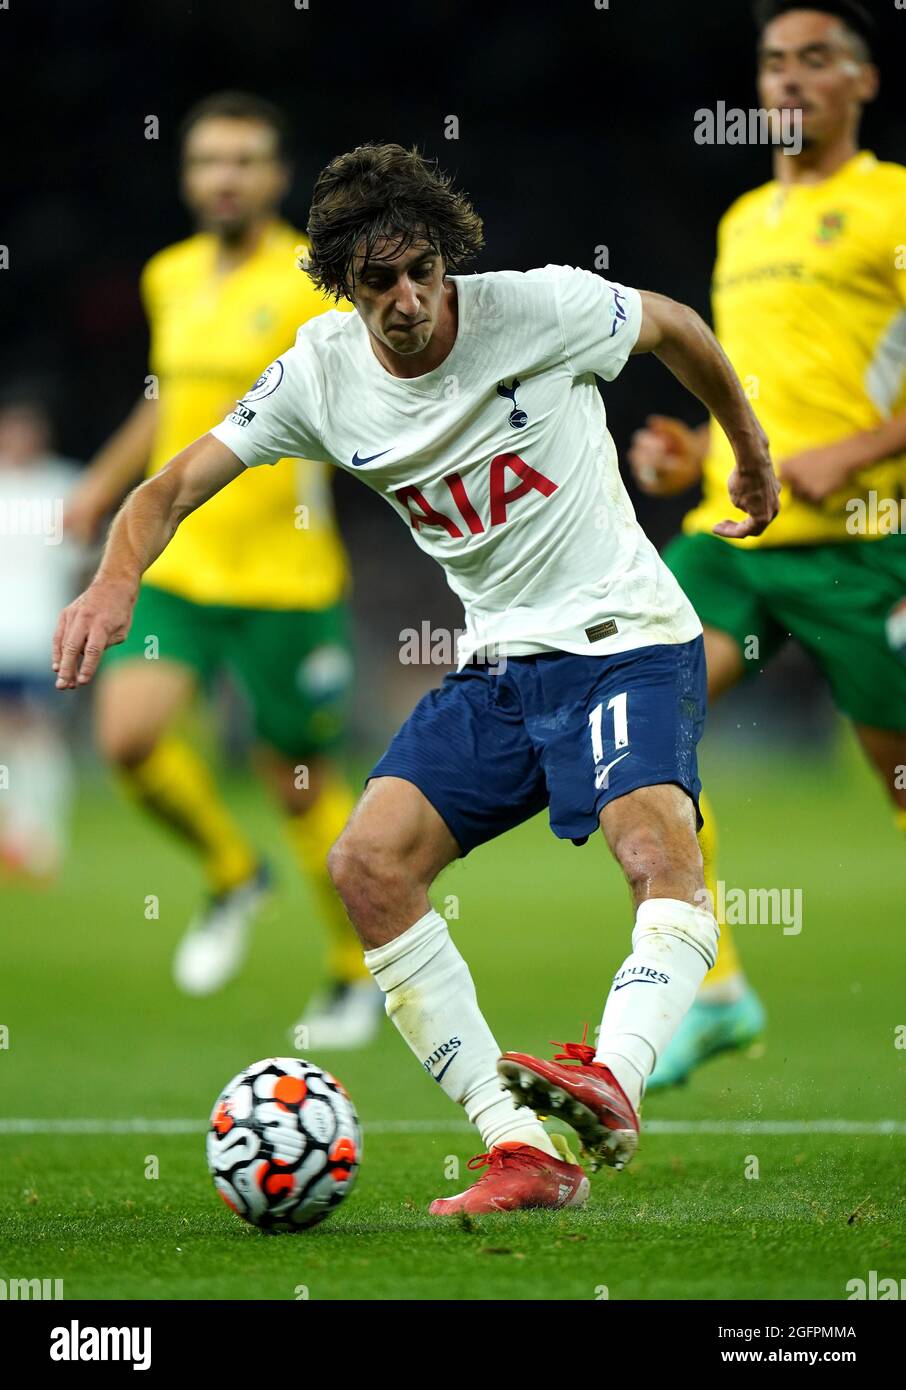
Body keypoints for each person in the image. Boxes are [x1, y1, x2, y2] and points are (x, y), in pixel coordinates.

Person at [53, 141, 779, 1214]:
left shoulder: (540, 308)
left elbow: (675, 325)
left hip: (626, 636)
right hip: (500, 670)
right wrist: (115, 584)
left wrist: (749, 454)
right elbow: (168, 487)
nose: (407, 300)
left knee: (652, 846)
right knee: (367, 864)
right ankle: (522, 1150)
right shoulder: (319, 374)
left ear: (449, 259)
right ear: (341, 285)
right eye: (377, 280)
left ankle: (617, 1077)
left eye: (422, 271)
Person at [65, 92, 381, 1046]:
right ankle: (233, 872)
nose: (225, 177)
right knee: (127, 737)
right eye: (208, 160)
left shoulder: (314, 280)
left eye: (244, 160)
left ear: (277, 175)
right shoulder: (168, 276)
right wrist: (106, 481)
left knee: (296, 782)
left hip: (287, 577)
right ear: (188, 176)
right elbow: (169, 403)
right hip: (182, 563)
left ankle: (354, 971)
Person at [629, 0, 906, 1088]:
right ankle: (715, 990)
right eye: (775, 62)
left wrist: (860, 450)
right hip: (735, 540)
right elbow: (767, 402)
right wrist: (695, 454)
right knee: (635, 708)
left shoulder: (891, 204)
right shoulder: (744, 221)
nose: (789, 79)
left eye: (816, 60)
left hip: (863, 548)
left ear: (862, 81)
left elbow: (840, 416)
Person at [0, 390, 80, 879]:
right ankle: (15, 834)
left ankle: (43, 834)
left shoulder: (65, 484)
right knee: (7, 736)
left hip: (41, 632)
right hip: (3, 636)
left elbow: (83, 559)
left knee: (39, 734)